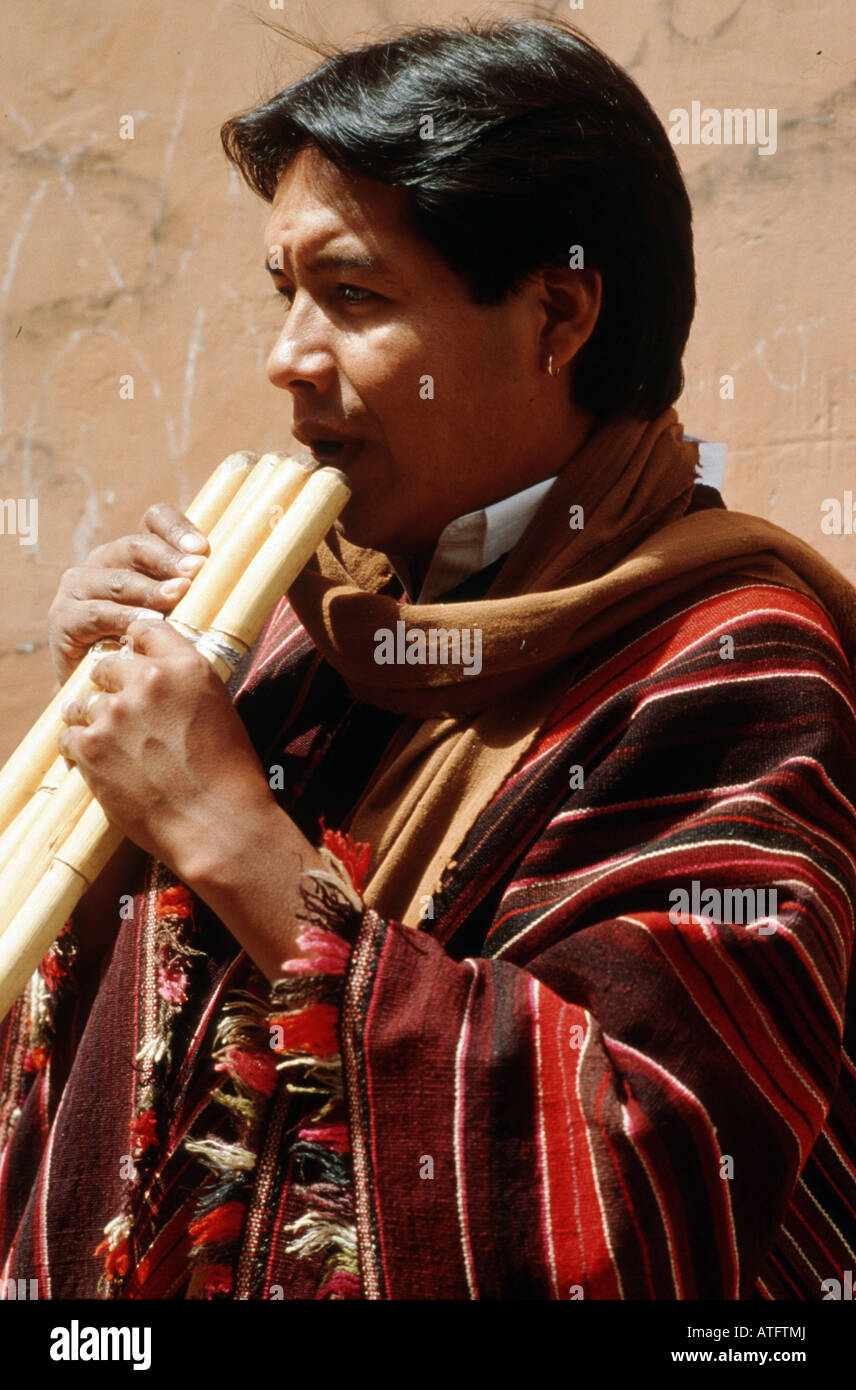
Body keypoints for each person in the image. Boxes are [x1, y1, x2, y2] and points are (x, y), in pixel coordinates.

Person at [2, 17, 856, 1301]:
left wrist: (230, 831)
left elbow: (629, 1190)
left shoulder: (732, 667)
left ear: (556, 312)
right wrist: (104, 770)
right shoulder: (304, 623)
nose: (285, 357)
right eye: (282, 292)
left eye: (351, 297)